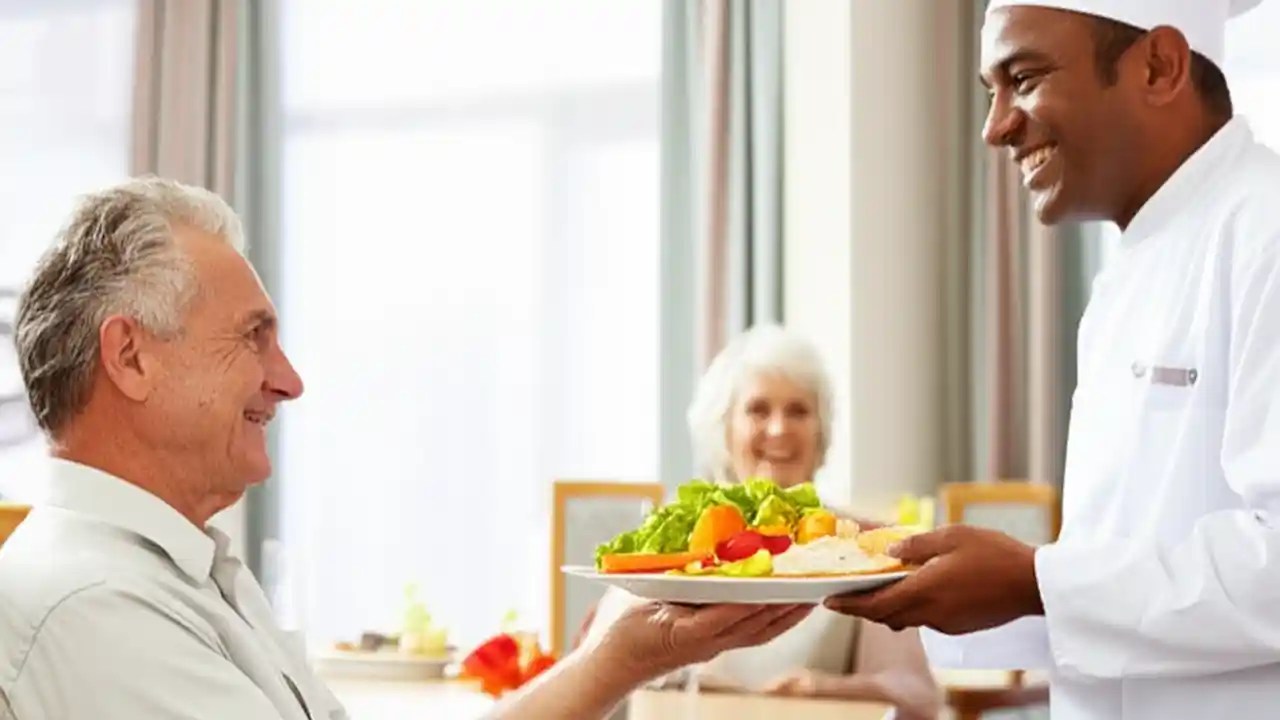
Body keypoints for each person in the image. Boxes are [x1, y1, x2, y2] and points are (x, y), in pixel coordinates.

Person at [0, 177, 811, 720]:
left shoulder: (171, 576)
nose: (289, 381)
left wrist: (620, 657)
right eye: (254, 338)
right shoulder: (91, 604)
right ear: (131, 356)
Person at [824, 1, 1280, 718]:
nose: (995, 125)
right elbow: (1121, 595)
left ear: (1159, 66)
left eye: (1025, 78)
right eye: (991, 91)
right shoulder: (1125, 276)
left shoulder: (1266, 233)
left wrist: (1035, 579)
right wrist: (906, 571)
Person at [582, 325, 940, 719]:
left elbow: (919, 696)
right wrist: (683, 681)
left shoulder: (869, 543)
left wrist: (820, 690)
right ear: (725, 428)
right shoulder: (676, 534)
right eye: (758, 409)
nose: (778, 428)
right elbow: (593, 672)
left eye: (798, 411)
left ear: (821, 433)